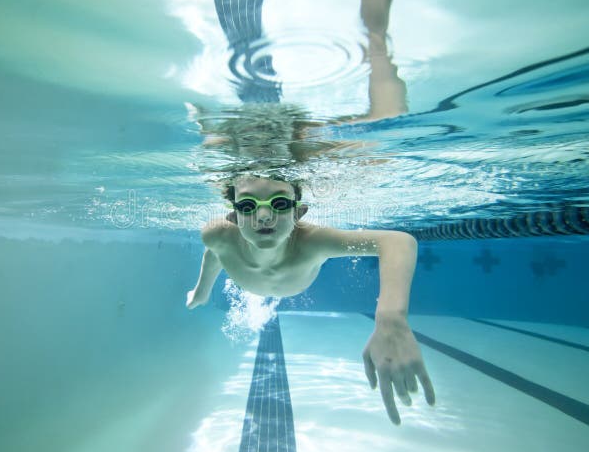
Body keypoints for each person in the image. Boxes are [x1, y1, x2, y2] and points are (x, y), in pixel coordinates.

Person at [186, 173, 435, 426]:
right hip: (266, 282)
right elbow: (214, 254)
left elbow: (398, 242)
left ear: (298, 213)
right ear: (234, 217)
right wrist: (202, 290)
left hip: (295, 284)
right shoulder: (216, 235)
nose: (263, 216)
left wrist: (390, 320)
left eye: (280, 204)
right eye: (248, 206)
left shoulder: (314, 242)